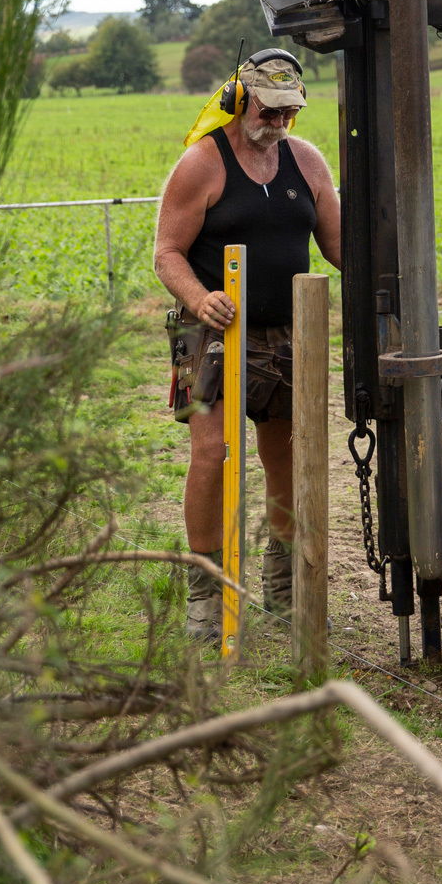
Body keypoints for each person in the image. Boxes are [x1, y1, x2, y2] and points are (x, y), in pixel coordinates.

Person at [153, 48, 340, 639]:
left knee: (286, 456)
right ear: (240, 100)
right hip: (208, 331)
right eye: (269, 109)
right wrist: (199, 297)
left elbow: (341, 248)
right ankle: (205, 595)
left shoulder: (307, 164)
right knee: (211, 454)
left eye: (289, 112)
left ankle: (283, 589)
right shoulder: (200, 166)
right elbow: (167, 254)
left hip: (289, 335)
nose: (279, 122)